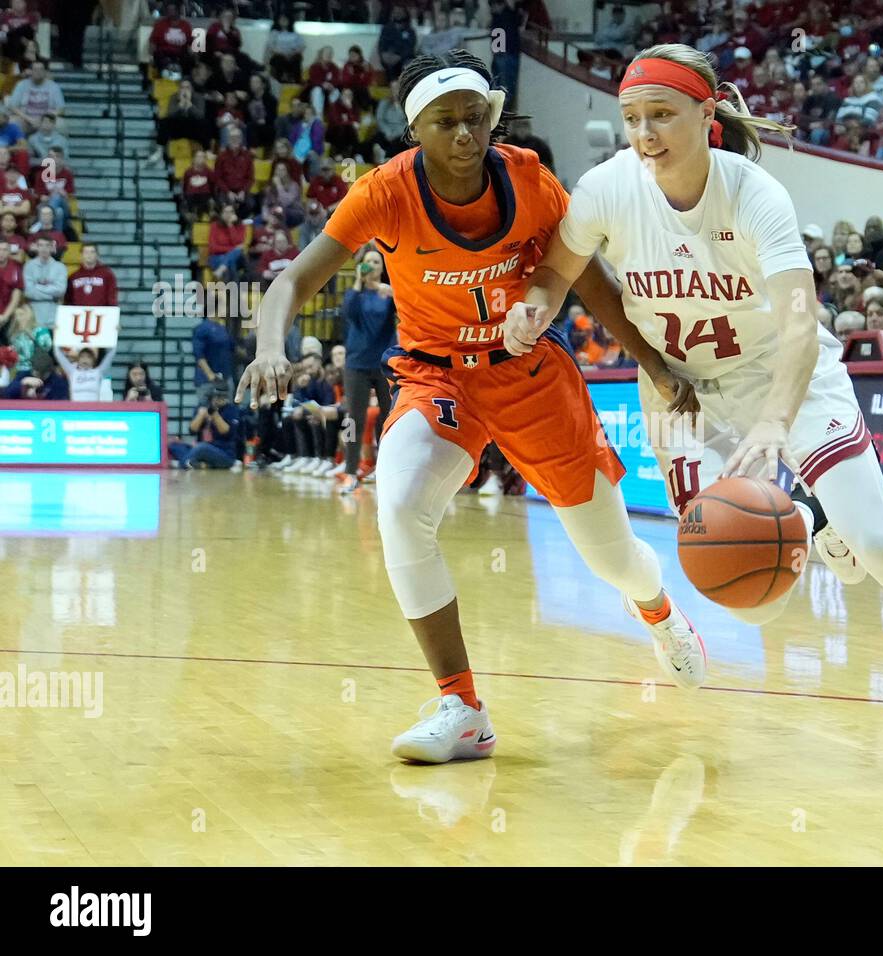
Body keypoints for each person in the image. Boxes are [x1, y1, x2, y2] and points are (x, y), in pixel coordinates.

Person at [507, 43, 883, 772]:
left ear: (707, 110)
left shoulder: (754, 193)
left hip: (789, 375)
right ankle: (819, 524)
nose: (645, 134)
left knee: (879, 544)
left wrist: (770, 423)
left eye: (661, 115)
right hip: (684, 391)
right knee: (745, 590)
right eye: (632, 118)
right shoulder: (605, 189)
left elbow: (797, 324)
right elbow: (554, 275)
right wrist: (532, 309)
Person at [236, 51, 708, 767]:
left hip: (529, 375)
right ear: (414, 130)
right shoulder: (383, 192)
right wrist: (270, 344)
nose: (463, 133)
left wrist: (653, 362)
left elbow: (591, 281)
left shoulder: (528, 178)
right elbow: (293, 278)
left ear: (490, 118)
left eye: (474, 118)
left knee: (611, 558)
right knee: (397, 505)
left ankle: (661, 615)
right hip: (437, 379)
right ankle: (463, 708)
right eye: (444, 122)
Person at [339, 248, 396, 495]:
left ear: (382, 268)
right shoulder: (355, 295)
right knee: (354, 418)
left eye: (376, 261)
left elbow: (407, 309)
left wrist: (393, 293)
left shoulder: (388, 294)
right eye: (367, 261)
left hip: (383, 364)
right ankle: (351, 472)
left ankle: (387, 471)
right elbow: (348, 312)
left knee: (390, 418)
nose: (371, 265)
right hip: (356, 365)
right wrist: (358, 281)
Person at [169, 379, 243, 470]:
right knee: (175, 446)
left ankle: (184, 463)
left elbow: (226, 432)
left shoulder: (231, 410)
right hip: (200, 447)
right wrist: (201, 415)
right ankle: (202, 464)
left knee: (202, 448)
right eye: (217, 397)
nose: (219, 399)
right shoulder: (202, 406)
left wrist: (214, 414)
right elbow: (192, 430)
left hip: (223, 452)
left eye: (222, 397)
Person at [22, 236, 65, 328]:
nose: (44, 249)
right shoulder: (28, 266)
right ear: (36, 247)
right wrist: (51, 292)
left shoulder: (60, 267)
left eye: (47, 245)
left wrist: (36, 287)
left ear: (52, 248)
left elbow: (60, 291)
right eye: (41, 245)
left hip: (53, 311)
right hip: (33, 312)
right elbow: (28, 292)